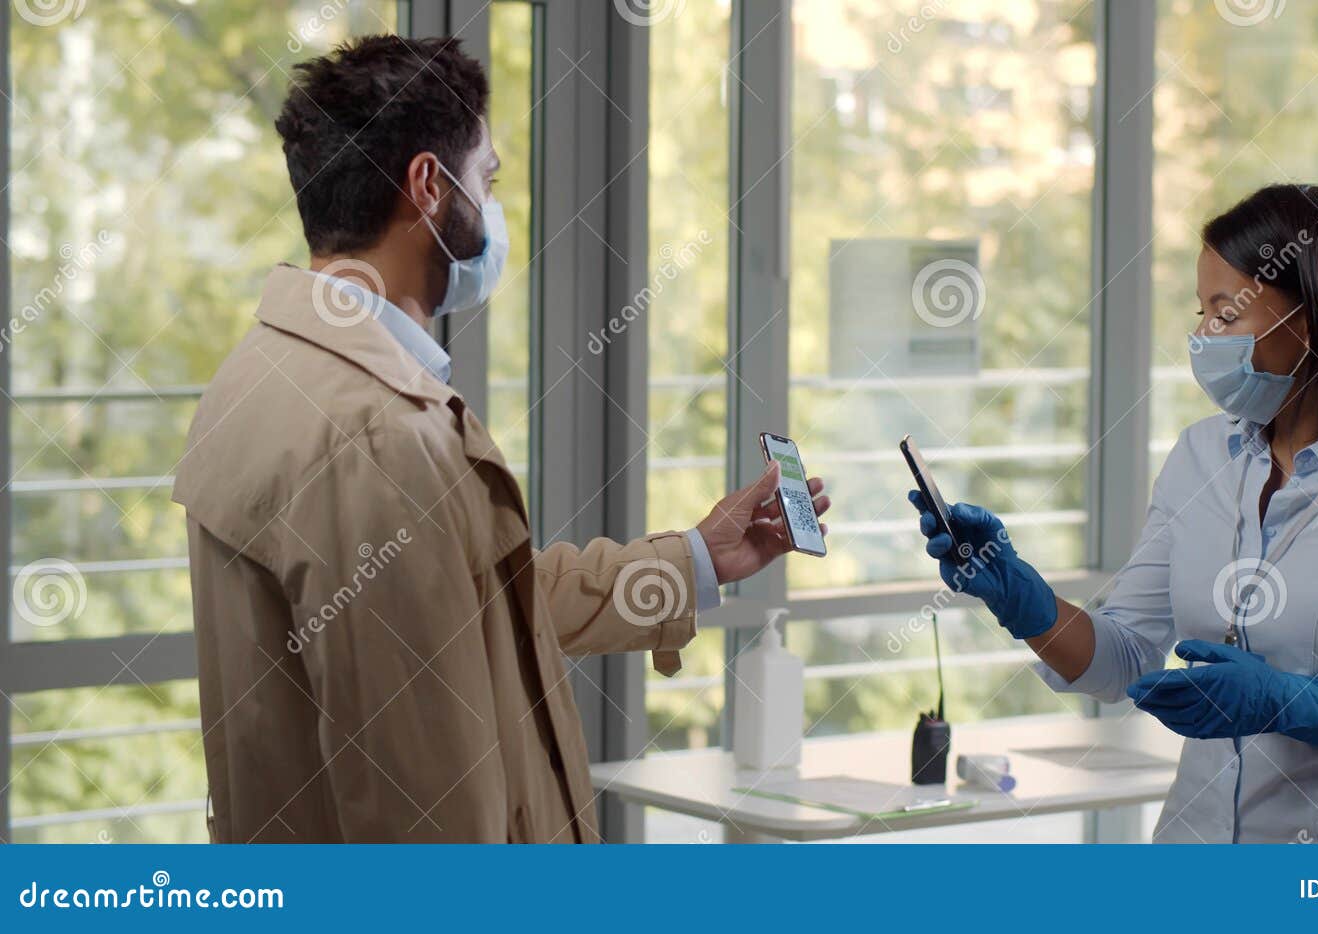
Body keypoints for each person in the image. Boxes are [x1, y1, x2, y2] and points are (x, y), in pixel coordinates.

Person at [172, 35, 828, 843]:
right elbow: (427, 806)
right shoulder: (380, 438)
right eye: (485, 179)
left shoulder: (262, 375)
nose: (493, 207)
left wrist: (694, 558)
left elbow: (481, 609)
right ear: (427, 186)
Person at [909, 184, 1318, 843]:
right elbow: (1124, 659)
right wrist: (1022, 598)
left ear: (1316, 321)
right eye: (1202, 313)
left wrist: (1306, 707)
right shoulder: (1200, 457)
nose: (1204, 337)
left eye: (1226, 314)